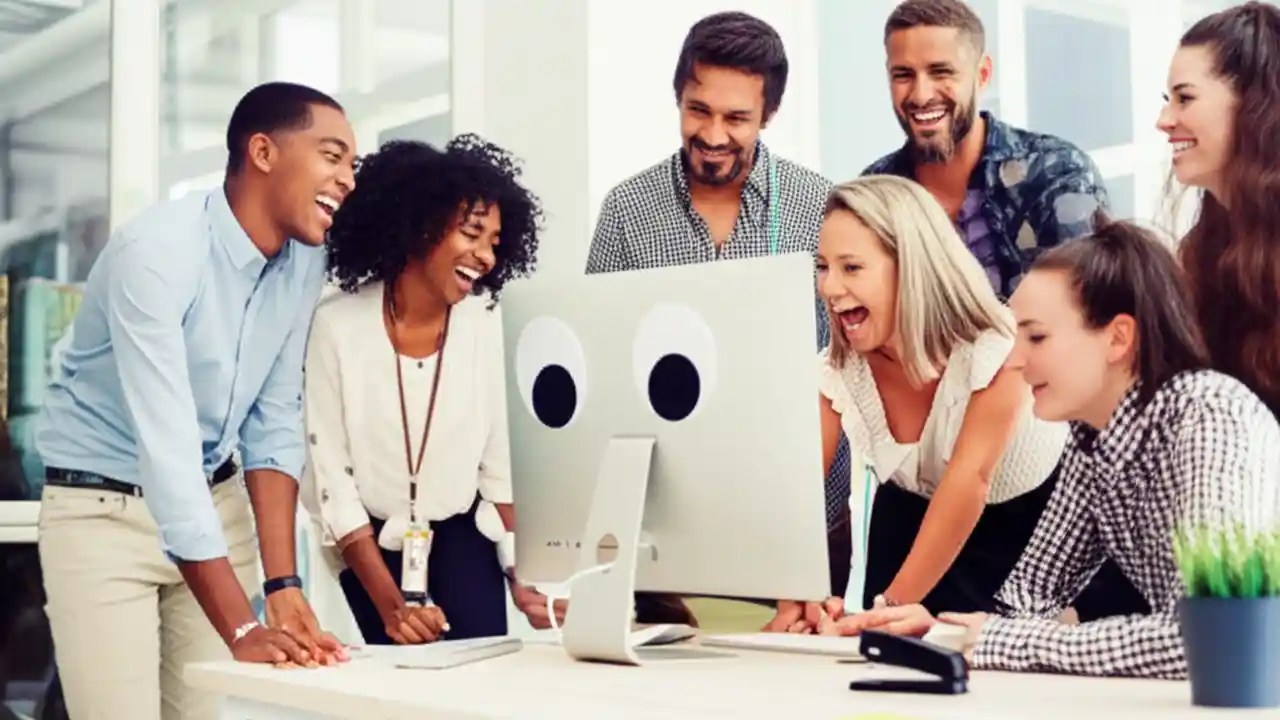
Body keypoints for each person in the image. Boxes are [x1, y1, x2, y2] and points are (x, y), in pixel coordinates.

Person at [826, 217, 1280, 679]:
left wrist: (997, 638)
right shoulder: (1091, 442)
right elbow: (1025, 601)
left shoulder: (1212, 418)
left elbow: (1213, 641)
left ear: (1118, 339)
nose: (1016, 360)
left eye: (1036, 337)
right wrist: (940, 633)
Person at [33, 82, 353, 719]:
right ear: (262, 151)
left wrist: (282, 584)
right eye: (331, 155)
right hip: (103, 518)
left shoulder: (304, 263)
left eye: (351, 164)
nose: (347, 178)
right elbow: (168, 446)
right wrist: (242, 626)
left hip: (215, 503)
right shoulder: (154, 254)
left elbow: (274, 417)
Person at [584, 10, 850, 625]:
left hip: (802, 518)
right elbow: (603, 373)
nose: (713, 134)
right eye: (698, 110)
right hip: (663, 526)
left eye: (738, 118)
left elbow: (846, 368)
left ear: (770, 115)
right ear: (678, 97)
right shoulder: (628, 210)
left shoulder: (823, 208)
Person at [765, 175, 1068, 633]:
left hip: (1021, 533)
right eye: (823, 267)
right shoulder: (838, 367)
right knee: (878, 667)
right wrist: (793, 598)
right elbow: (800, 487)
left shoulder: (999, 347)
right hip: (910, 518)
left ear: (911, 267)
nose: (828, 287)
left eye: (851, 267)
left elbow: (970, 481)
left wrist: (886, 609)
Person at [302, 135, 564, 644]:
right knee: (404, 689)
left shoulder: (486, 324)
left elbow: (499, 469)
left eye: (494, 242)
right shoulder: (335, 327)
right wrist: (392, 606)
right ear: (420, 224)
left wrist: (523, 575)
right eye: (472, 233)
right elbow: (331, 483)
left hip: (463, 533)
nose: (486, 256)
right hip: (368, 543)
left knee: (479, 689)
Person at [866, 0, 1110, 300]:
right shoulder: (875, 193)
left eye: (941, 72)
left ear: (982, 75)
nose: (921, 95)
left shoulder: (1056, 173)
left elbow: (1090, 317)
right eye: (903, 75)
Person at [1157, 1, 1280, 419]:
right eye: (1166, 100)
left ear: (1252, 104)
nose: (1164, 119)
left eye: (1184, 98)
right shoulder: (1202, 250)